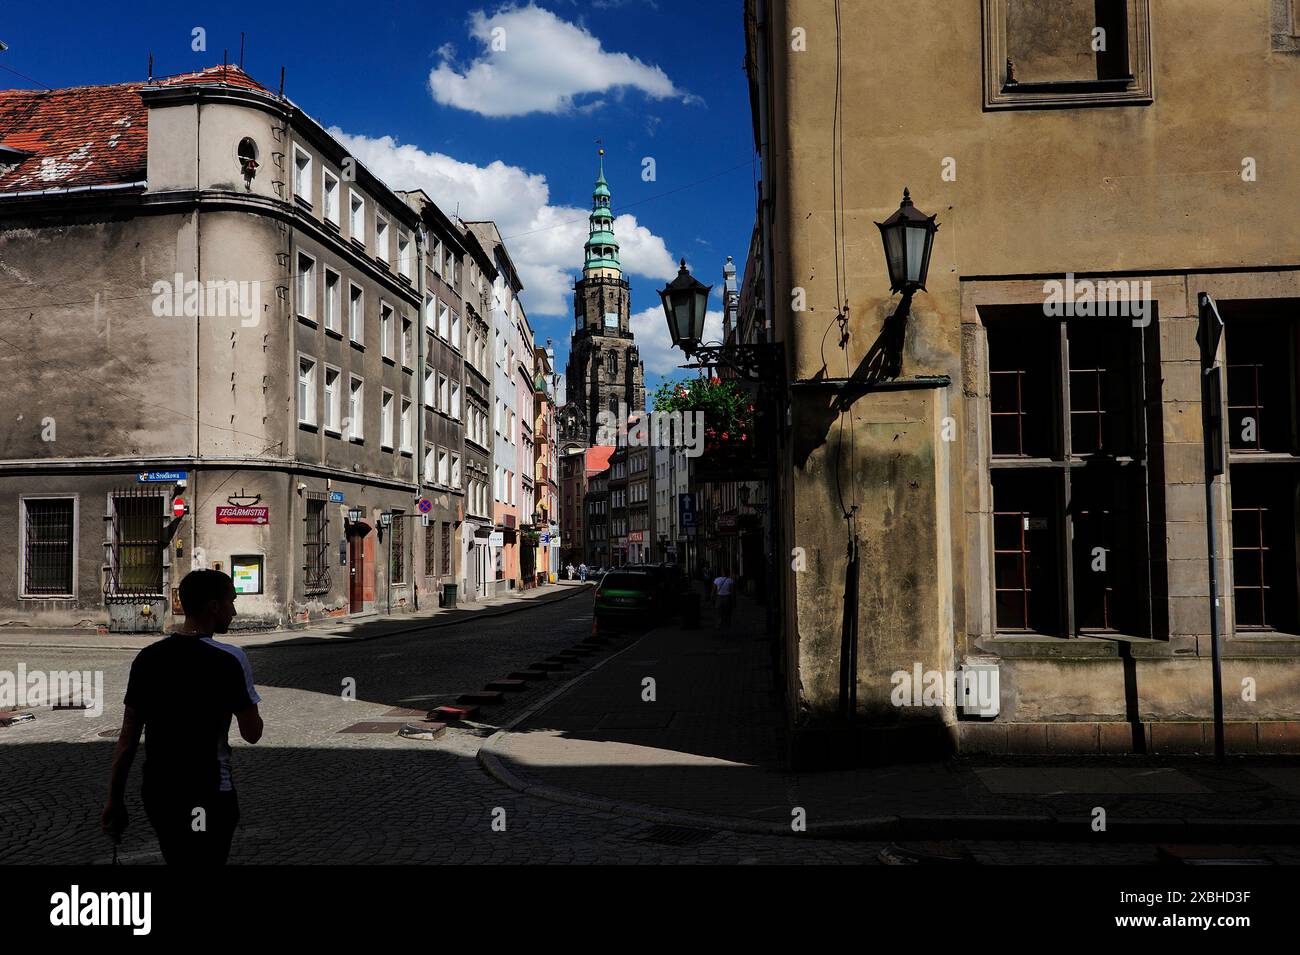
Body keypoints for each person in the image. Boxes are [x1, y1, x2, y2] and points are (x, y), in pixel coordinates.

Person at [102, 570, 263, 865]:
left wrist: (115, 798)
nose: (235, 610)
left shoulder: (147, 658)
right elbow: (253, 733)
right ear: (214, 606)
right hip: (210, 790)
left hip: (160, 793)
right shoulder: (230, 658)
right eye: (231, 601)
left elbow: (127, 739)